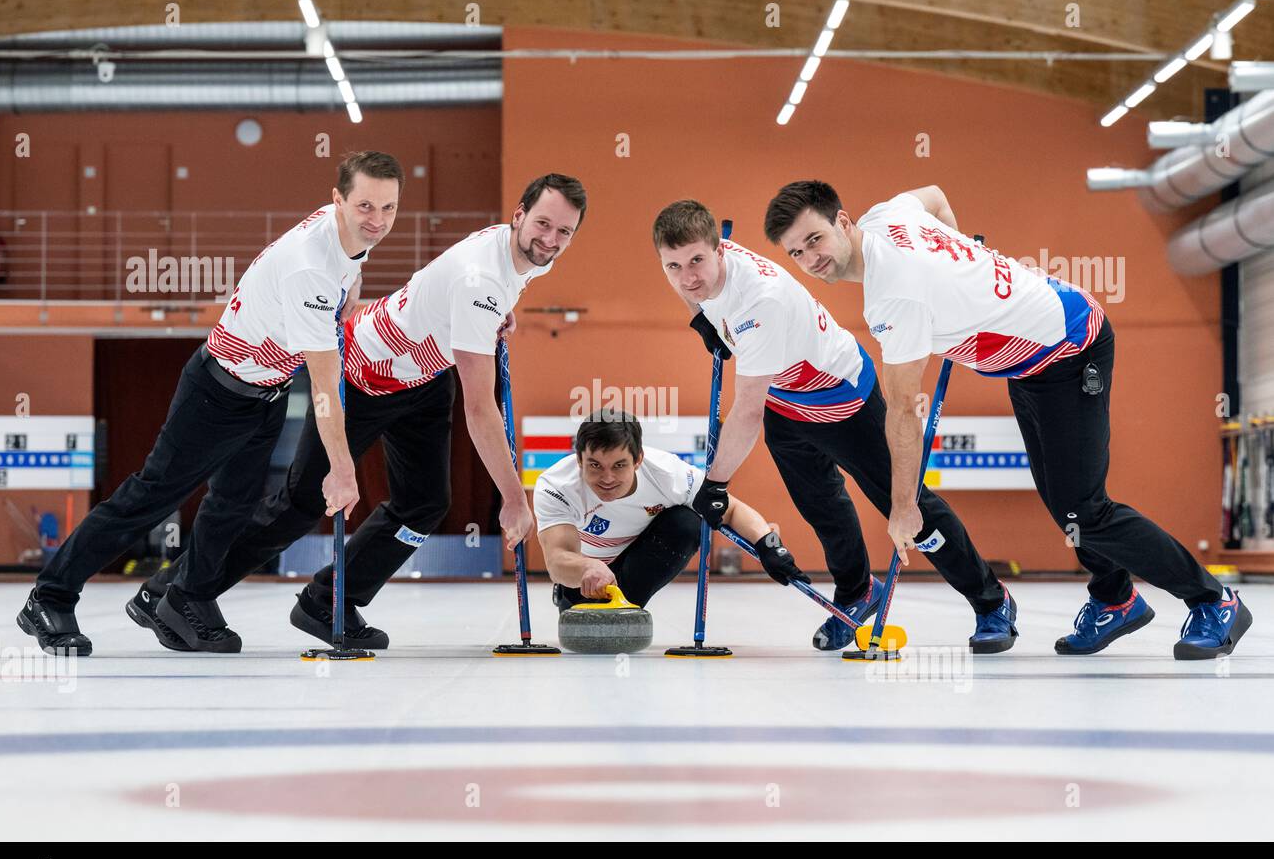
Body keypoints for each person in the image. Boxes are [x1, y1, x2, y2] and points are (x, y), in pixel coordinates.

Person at [764, 179, 1252, 659]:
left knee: (1084, 510)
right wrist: (966, 255)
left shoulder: (894, 296)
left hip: (1071, 348)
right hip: (1028, 364)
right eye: (796, 253)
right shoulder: (886, 217)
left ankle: (1213, 600)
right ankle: (1114, 598)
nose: (810, 258)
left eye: (815, 239)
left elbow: (902, 412)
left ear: (843, 222)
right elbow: (935, 192)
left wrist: (904, 505)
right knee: (1066, 503)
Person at [129, 174, 588, 651]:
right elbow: (479, 407)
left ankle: (328, 600)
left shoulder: (516, 256)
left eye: (564, 232)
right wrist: (514, 497)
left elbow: (468, 297)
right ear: (518, 216)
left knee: (425, 502)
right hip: (365, 371)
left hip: (424, 374)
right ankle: (176, 590)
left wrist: (493, 314)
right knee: (301, 504)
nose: (551, 239)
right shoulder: (483, 279)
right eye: (542, 224)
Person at [18, 150, 401, 655]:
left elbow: (347, 272)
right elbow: (327, 387)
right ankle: (50, 597)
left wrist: (353, 288)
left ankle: (180, 597)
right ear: (338, 202)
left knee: (233, 506)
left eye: (389, 208)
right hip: (219, 391)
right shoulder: (310, 267)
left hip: (266, 393)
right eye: (365, 207)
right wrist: (342, 468)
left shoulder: (346, 238)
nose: (376, 221)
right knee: (150, 497)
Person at [653, 199, 1013, 653]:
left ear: (720, 250)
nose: (688, 277)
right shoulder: (698, 268)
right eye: (673, 266)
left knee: (907, 507)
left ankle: (991, 600)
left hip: (840, 396)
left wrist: (716, 485)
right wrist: (700, 317)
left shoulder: (758, 302)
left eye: (698, 262)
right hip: (785, 396)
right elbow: (693, 289)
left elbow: (747, 410)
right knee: (822, 508)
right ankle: (857, 593)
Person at [536, 410, 804, 611]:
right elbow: (558, 559)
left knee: (689, 522)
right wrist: (588, 567)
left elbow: (731, 509)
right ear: (579, 458)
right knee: (580, 575)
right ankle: (587, 602)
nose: (607, 478)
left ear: (638, 459)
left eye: (619, 466)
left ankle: (626, 607)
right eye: (595, 466)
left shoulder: (669, 474)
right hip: (582, 582)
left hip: (632, 570)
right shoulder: (556, 485)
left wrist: (768, 544)